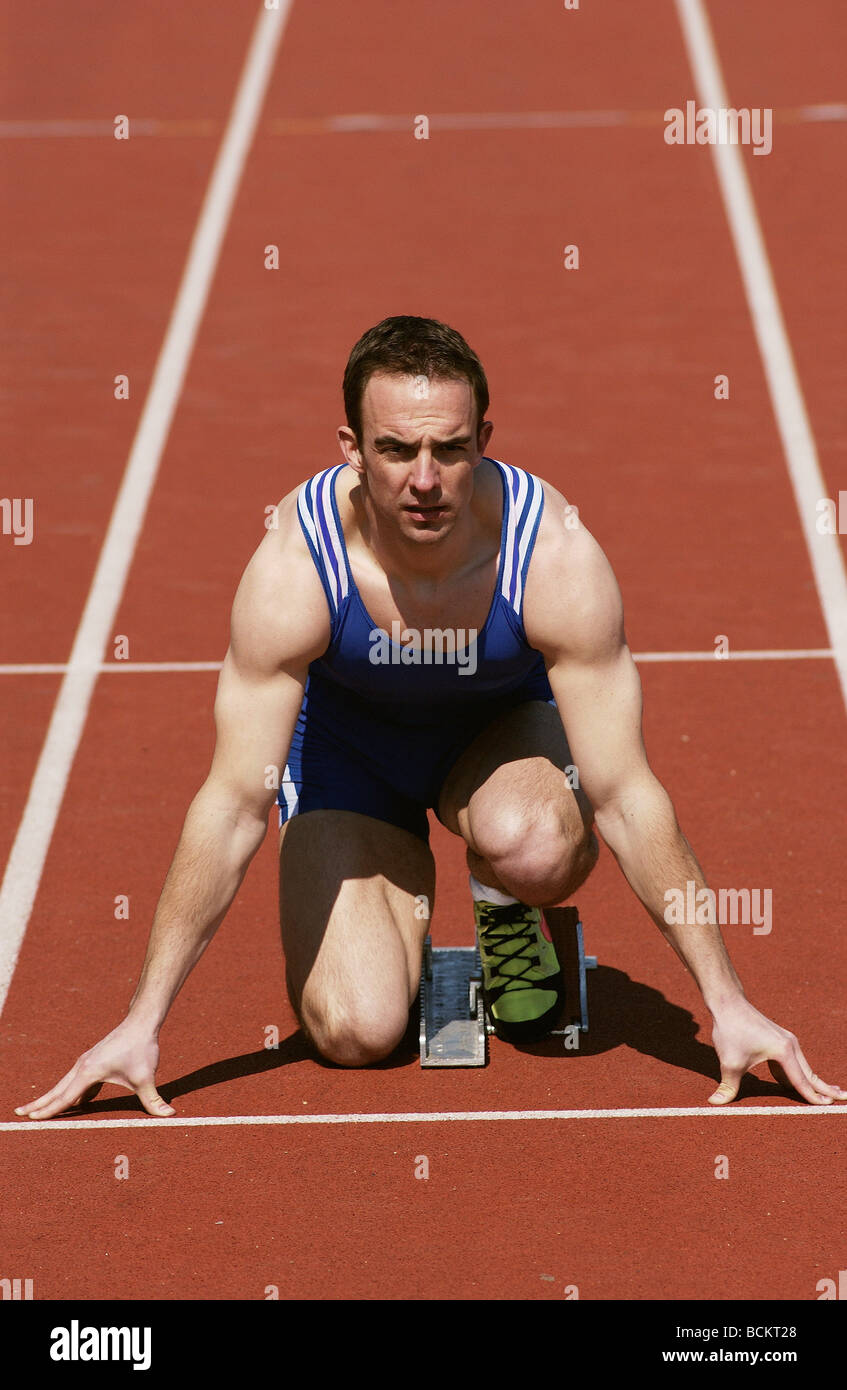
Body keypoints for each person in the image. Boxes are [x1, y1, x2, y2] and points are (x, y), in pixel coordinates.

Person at [16, 315, 845, 1120]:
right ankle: (391, 902)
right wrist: (142, 1020)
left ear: (483, 438)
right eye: (395, 448)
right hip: (350, 761)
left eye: (449, 449)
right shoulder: (293, 568)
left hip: (499, 742)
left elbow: (624, 791)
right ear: (350, 448)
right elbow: (234, 802)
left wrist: (725, 1002)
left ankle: (501, 893)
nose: (424, 478)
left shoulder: (551, 553)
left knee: (536, 843)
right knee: (354, 1032)